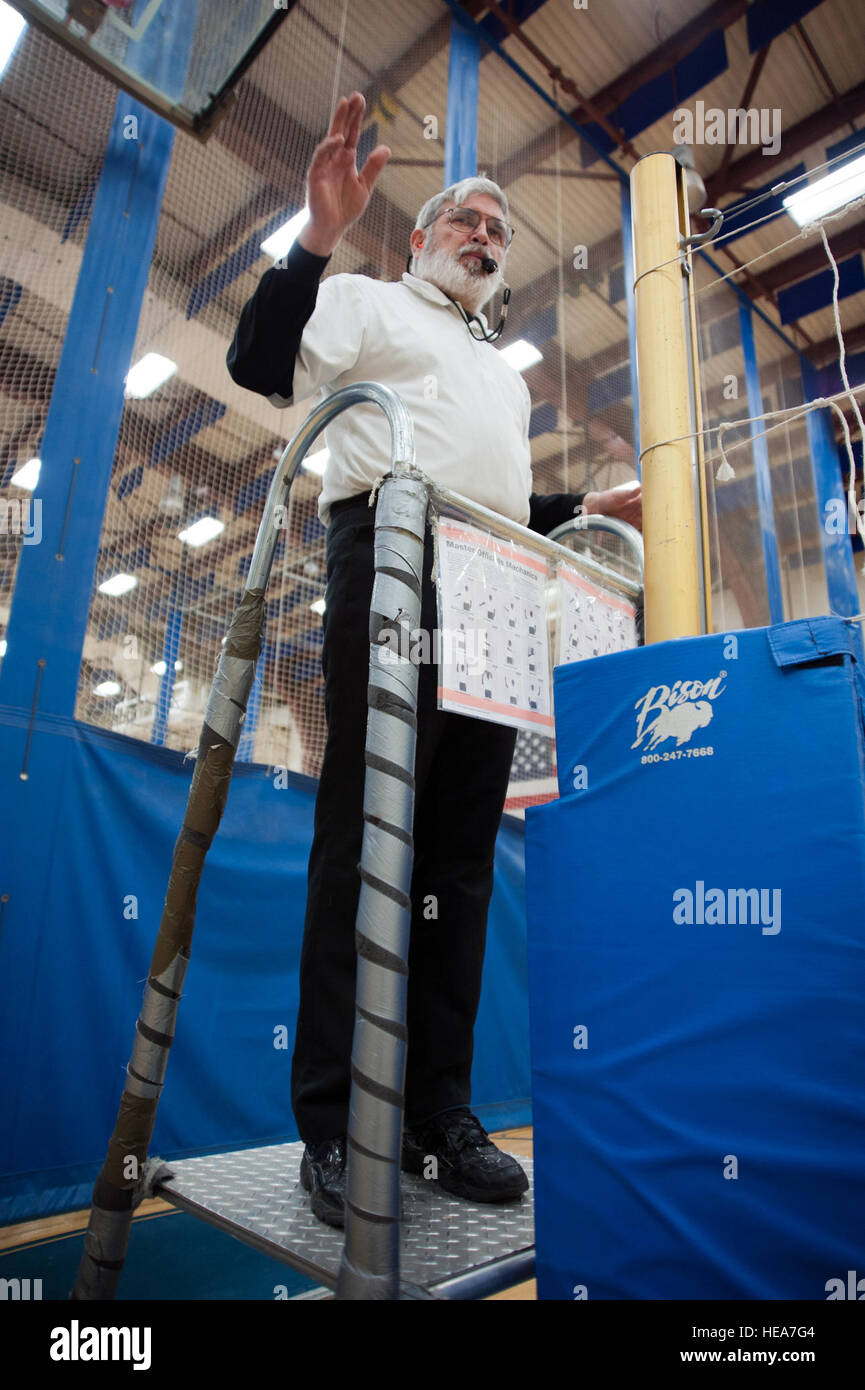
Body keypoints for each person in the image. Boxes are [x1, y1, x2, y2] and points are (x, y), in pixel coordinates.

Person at [227, 92, 642, 1228]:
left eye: (498, 228)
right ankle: (333, 1121)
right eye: (465, 217)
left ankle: (433, 1116)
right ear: (418, 237)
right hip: (394, 559)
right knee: (369, 832)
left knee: (457, 861)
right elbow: (260, 361)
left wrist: (577, 507)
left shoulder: (498, 372)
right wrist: (316, 236)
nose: (485, 234)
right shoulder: (367, 300)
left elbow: (488, 488)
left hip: (492, 579)